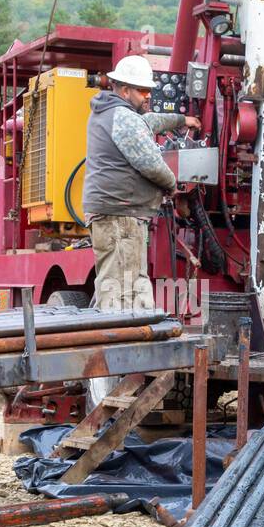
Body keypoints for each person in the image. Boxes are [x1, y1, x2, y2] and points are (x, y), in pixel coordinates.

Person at [82, 54, 199, 408]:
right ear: (126, 89)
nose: (148, 95)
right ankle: (108, 392)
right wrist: (174, 184)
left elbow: (148, 121)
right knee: (122, 298)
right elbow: (151, 162)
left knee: (125, 291)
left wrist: (183, 119)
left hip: (118, 213)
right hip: (122, 217)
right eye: (143, 90)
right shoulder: (122, 118)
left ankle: (116, 386)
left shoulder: (113, 113)